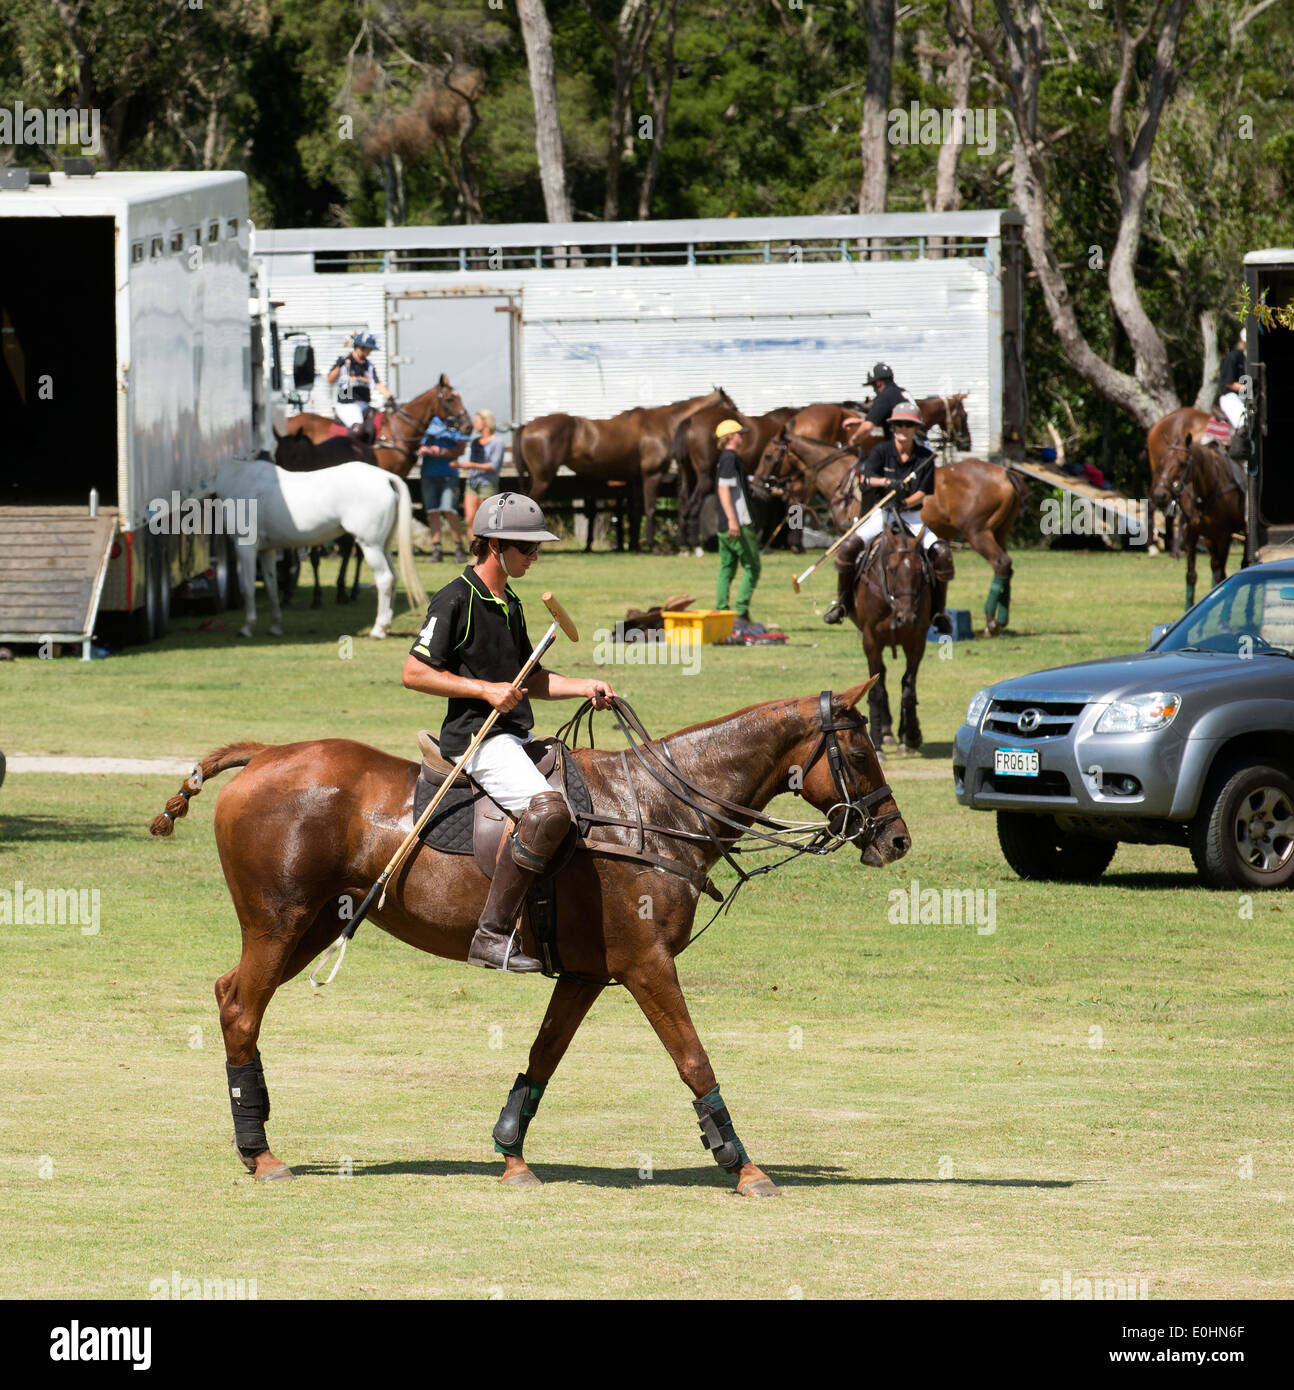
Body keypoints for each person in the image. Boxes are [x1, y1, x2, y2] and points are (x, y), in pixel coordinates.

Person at [401, 493, 616, 972]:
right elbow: (414, 672)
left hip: (513, 736)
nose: (534, 557)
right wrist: (484, 690)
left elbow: (528, 678)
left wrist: (585, 685)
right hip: (477, 739)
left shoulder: (511, 603)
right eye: (527, 549)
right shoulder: (456, 597)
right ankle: (491, 935)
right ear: (496, 545)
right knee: (548, 810)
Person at [822, 401, 956, 633]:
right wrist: (887, 483)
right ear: (893, 427)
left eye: (908, 425)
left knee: (942, 554)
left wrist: (904, 501)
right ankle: (842, 604)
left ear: (915, 428)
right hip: (883, 515)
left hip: (912, 517)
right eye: (898, 425)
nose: (902, 429)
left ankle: (937, 612)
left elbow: (923, 492)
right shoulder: (881, 451)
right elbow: (866, 479)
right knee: (849, 547)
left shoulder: (924, 456)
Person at [714, 419, 761, 622]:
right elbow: (723, 488)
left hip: (723, 526)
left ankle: (722, 610)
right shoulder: (729, 458)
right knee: (753, 567)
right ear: (730, 437)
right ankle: (740, 611)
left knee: (727, 568)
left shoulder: (727, 459)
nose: (742, 436)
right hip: (737, 524)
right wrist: (733, 520)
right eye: (739, 433)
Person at [418, 413, 469, 564]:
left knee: (450, 511)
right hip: (428, 475)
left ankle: (459, 549)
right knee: (432, 512)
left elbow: (461, 449)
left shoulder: (454, 423)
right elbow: (417, 443)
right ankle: (436, 550)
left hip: (449, 475)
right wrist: (423, 448)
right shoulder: (428, 425)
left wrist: (438, 451)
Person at [326, 331, 393, 442]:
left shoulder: (369, 365)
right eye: (369, 349)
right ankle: (353, 453)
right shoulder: (344, 362)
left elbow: (377, 384)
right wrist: (340, 364)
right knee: (358, 430)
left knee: (378, 426)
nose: (370, 352)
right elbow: (330, 380)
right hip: (347, 405)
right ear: (360, 347)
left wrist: (390, 397)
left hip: (364, 405)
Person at [842, 362, 908, 452]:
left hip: (903, 448)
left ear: (878, 383)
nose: (874, 390)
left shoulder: (885, 395)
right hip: (918, 444)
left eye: (873, 386)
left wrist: (853, 441)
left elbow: (867, 427)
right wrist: (859, 421)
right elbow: (893, 418)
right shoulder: (901, 393)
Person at [459, 409, 505, 532]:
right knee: (470, 519)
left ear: (486, 422)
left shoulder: (497, 443)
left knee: (487, 521)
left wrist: (471, 465)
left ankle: (488, 550)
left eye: (476, 421)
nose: (474, 424)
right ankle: (474, 550)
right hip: (472, 483)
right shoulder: (475, 442)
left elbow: (494, 466)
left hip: (487, 484)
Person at [1217, 333, 1247, 432]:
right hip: (1230, 397)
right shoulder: (1234, 356)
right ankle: (1238, 447)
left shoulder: (1248, 358)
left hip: (1245, 398)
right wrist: (1248, 388)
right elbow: (1228, 383)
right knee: (1244, 422)